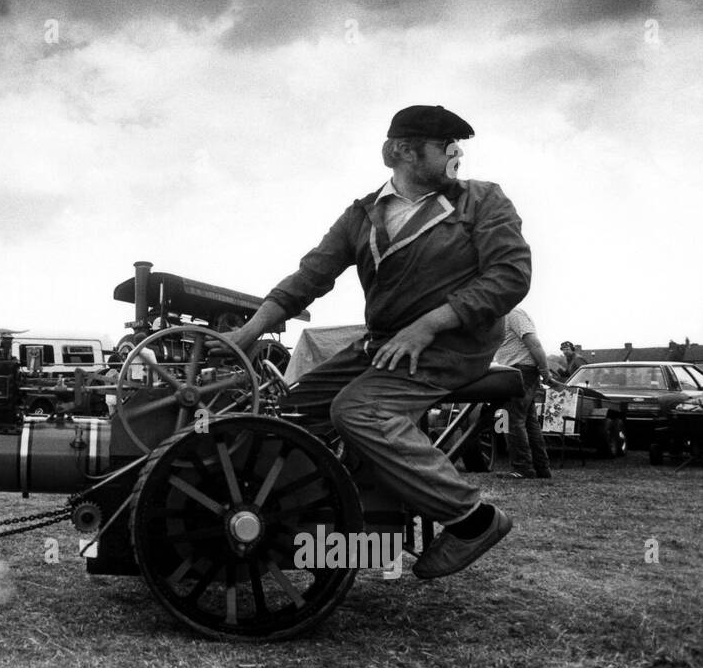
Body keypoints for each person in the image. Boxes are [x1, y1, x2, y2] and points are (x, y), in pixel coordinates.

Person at [225, 105, 530, 580]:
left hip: (453, 345)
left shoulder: (483, 200)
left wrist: (429, 324)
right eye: (445, 146)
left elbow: (510, 277)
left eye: (458, 146)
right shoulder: (363, 213)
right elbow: (310, 277)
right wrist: (247, 333)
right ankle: (324, 524)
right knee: (290, 411)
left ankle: (473, 520)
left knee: (359, 410)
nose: (457, 155)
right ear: (400, 151)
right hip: (385, 344)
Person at [492, 308, 553, 480]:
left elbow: (534, 343)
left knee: (510, 419)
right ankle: (541, 469)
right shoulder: (501, 317)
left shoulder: (513, 314)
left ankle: (522, 468)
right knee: (528, 421)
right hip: (518, 371)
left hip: (521, 371)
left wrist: (545, 371)